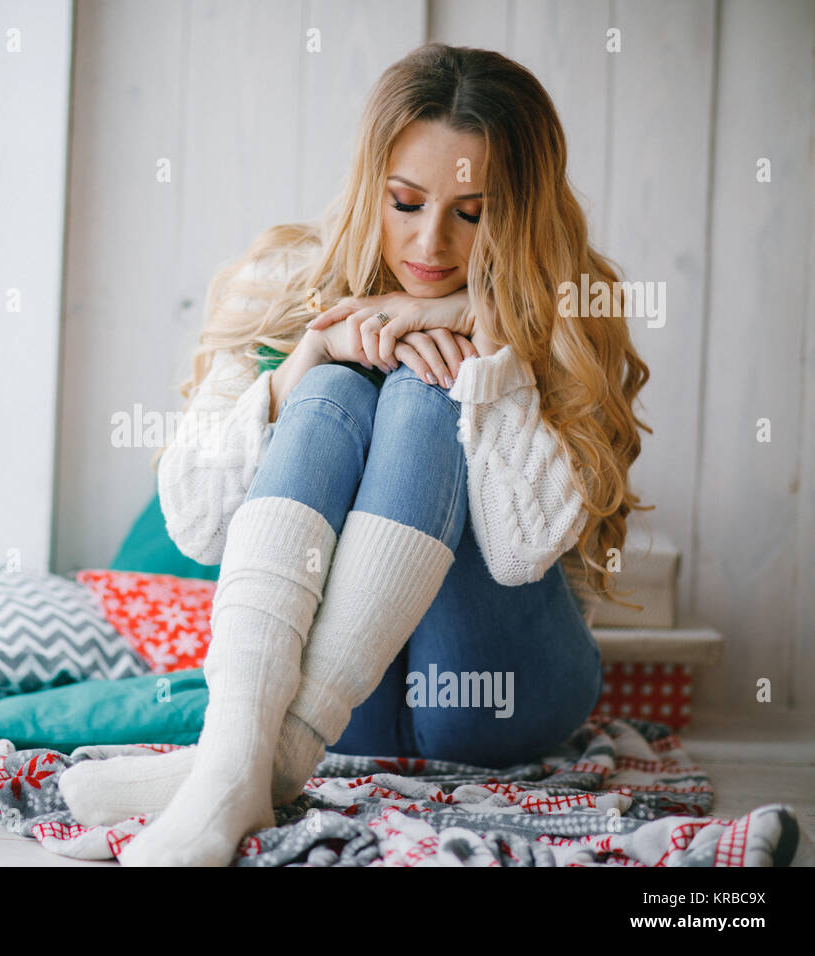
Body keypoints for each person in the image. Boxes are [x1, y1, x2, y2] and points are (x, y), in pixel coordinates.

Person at [59, 42, 651, 866]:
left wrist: (485, 351)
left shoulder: (565, 305)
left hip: (499, 701)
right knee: (333, 389)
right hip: (349, 715)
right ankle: (242, 765)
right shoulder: (286, 284)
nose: (431, 242)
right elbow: (195, 525)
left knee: (424, 394)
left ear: (519, 211)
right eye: (405, 201)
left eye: (472, 213)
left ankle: (236, 774)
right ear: (370, 182)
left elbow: (518, 554)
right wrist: (302, 366)